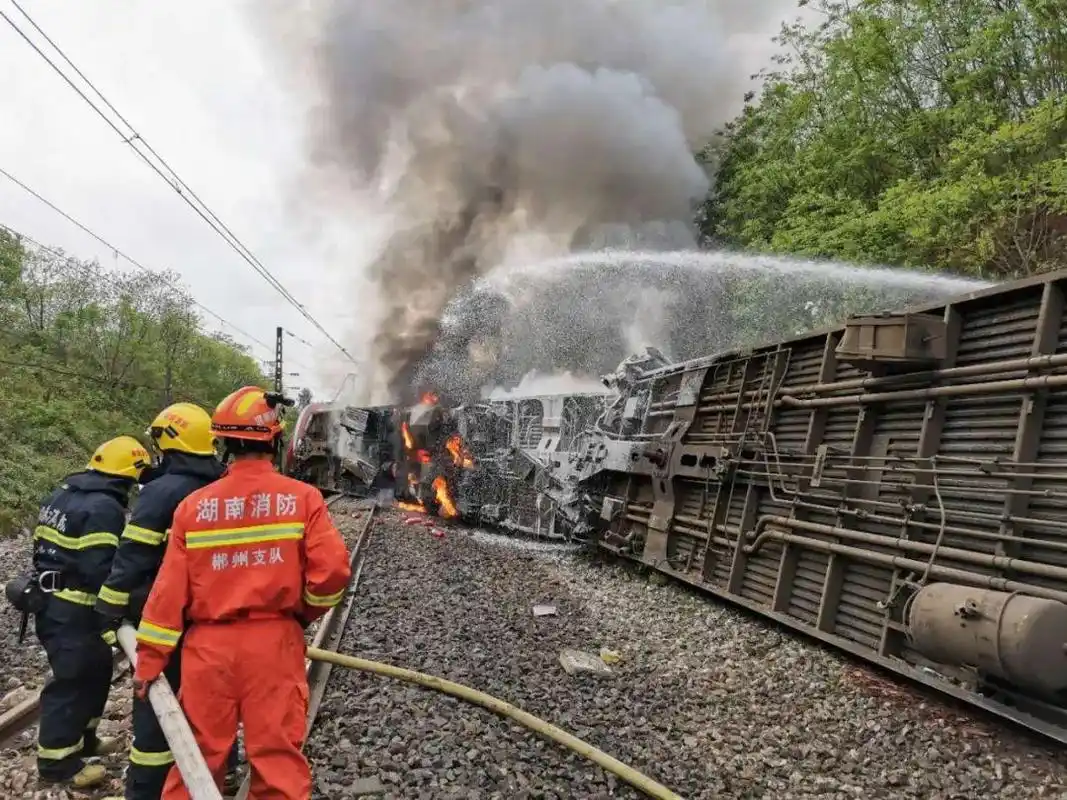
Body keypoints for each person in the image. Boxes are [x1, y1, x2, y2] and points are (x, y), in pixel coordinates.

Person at [133, 386, 351, 799]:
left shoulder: (194, 507)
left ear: (223, 443)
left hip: (206, 651)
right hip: (273, 645)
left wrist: (149, 661)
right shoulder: (303, 499)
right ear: (273, 438)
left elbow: (166, 596)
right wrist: (301, 614)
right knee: (276, 759)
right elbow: (334, 573)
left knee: (195, 758)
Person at [94, 403, 226, 800]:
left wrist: (109, 609)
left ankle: (148, 788)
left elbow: (133, 556)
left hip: (165, 621)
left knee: (156, 710)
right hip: (217, 621)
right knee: (211, 708)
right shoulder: (223, 485)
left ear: (169, 441)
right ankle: (218, 772)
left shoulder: (162, 492)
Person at [31, 436, 151, 790]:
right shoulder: (104, 509)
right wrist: (129, 607)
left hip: (53, 602)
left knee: (96, 671)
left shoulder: (61, 495)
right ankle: (57, 763)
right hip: (74, 609)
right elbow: (103, 569)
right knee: (72, 682)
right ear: (128, 476)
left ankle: (84, 741)